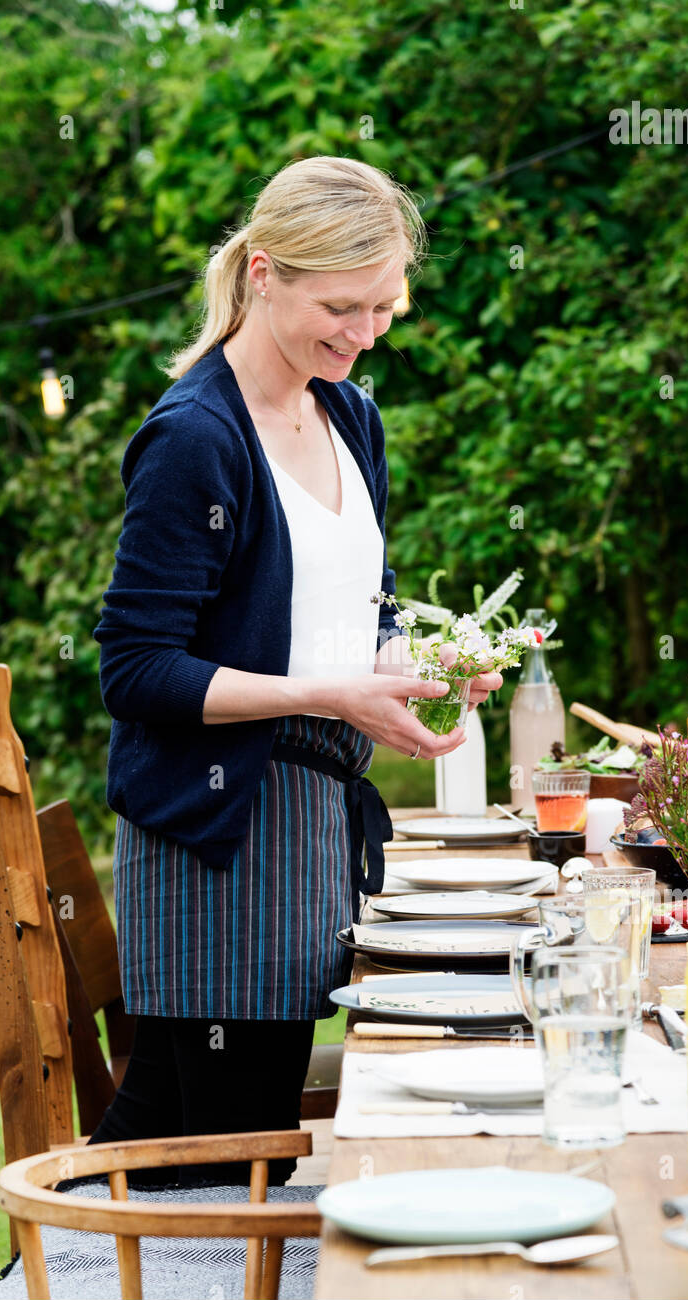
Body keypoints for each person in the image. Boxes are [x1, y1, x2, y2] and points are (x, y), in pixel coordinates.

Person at [89, 155, 502, 1186]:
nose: (364, 335)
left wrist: (409, 667)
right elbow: (137, 670)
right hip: (216, 838)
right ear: (264, 273)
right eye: (342, 307)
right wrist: (328, 694)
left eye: (384, 308)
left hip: (312, 821)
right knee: (227, 1158)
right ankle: (68, 1269)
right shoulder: (195, 440)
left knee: (181, 1139)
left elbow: (369, 595)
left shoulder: (347, 414)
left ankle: (60, 1251)